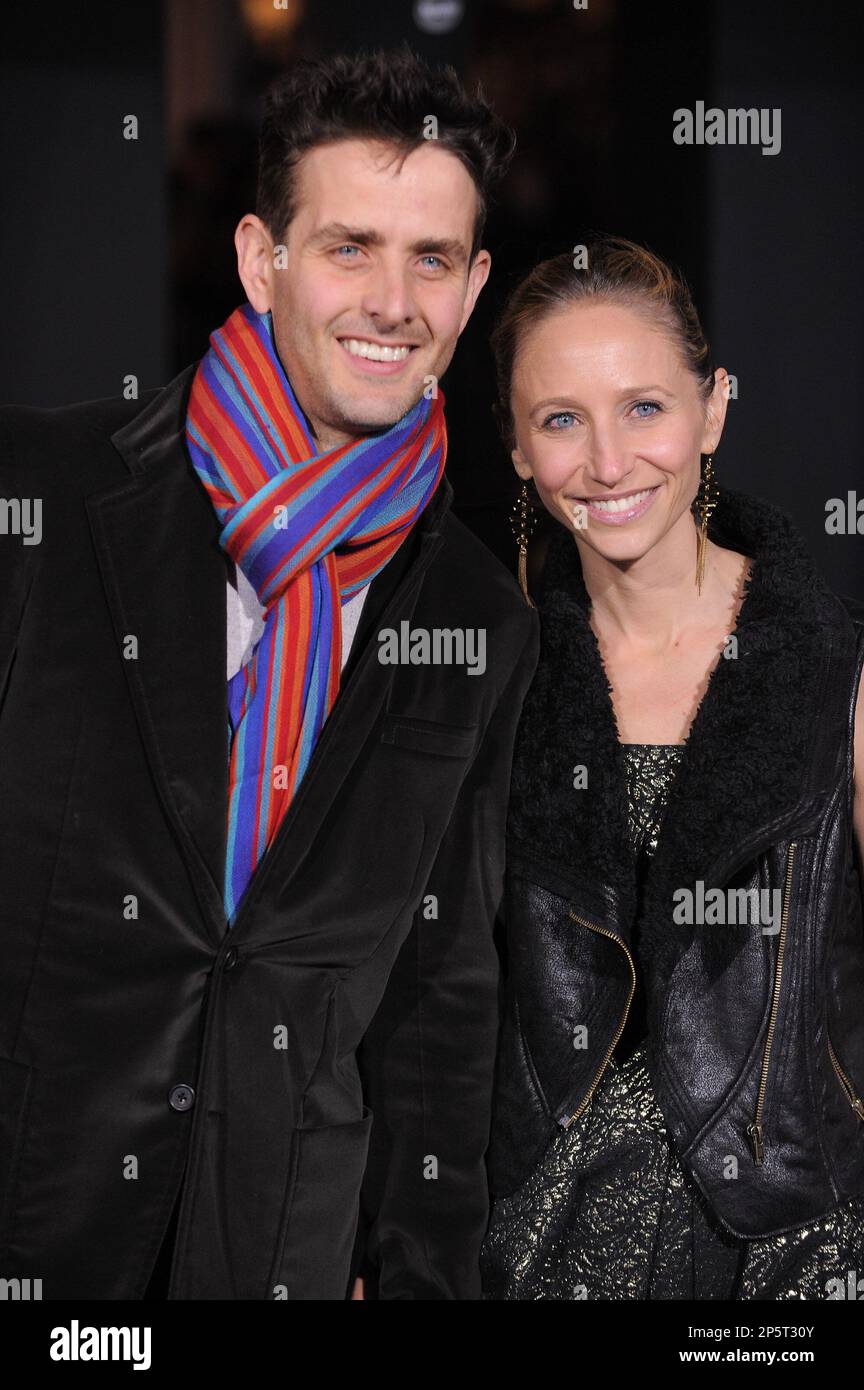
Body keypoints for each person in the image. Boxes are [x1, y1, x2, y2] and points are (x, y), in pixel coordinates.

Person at [0, 48, 538, 1301]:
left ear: (473, 292)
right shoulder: (47, 493)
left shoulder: (480, 621)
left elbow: (439, 993)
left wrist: (417, 1270)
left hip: (273, 1251)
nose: (393, 301)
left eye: (433, 259)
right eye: (350, 246)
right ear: (262, 259)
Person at [479, 235, 864, 1299]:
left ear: (715, 407)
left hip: (792, 1248)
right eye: (562, 420)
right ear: (516, 447)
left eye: (644, 407)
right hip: (542, 1242)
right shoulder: (489, 682)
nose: (608, 463)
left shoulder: (836, 669)